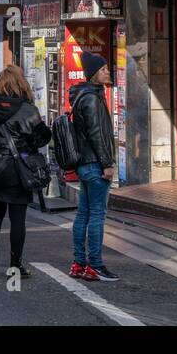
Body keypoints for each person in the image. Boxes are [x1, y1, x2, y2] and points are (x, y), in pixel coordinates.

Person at [0, 65, 50, 278]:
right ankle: (15, 264)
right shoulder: (27, 110)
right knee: (17, 218)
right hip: (18, 170)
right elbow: (41, 138)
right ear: (21, 83)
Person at [69, 53, 119, 282]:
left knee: (84, 214)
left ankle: (79, 263)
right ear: (94, 73)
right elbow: (97, 134)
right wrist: (107, 163)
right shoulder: (91, 99)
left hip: (84, 164)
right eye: (104, 69)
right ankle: (95, 265)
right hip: (95, 165)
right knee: (97, 214)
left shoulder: (83, 96)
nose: (108, 72)